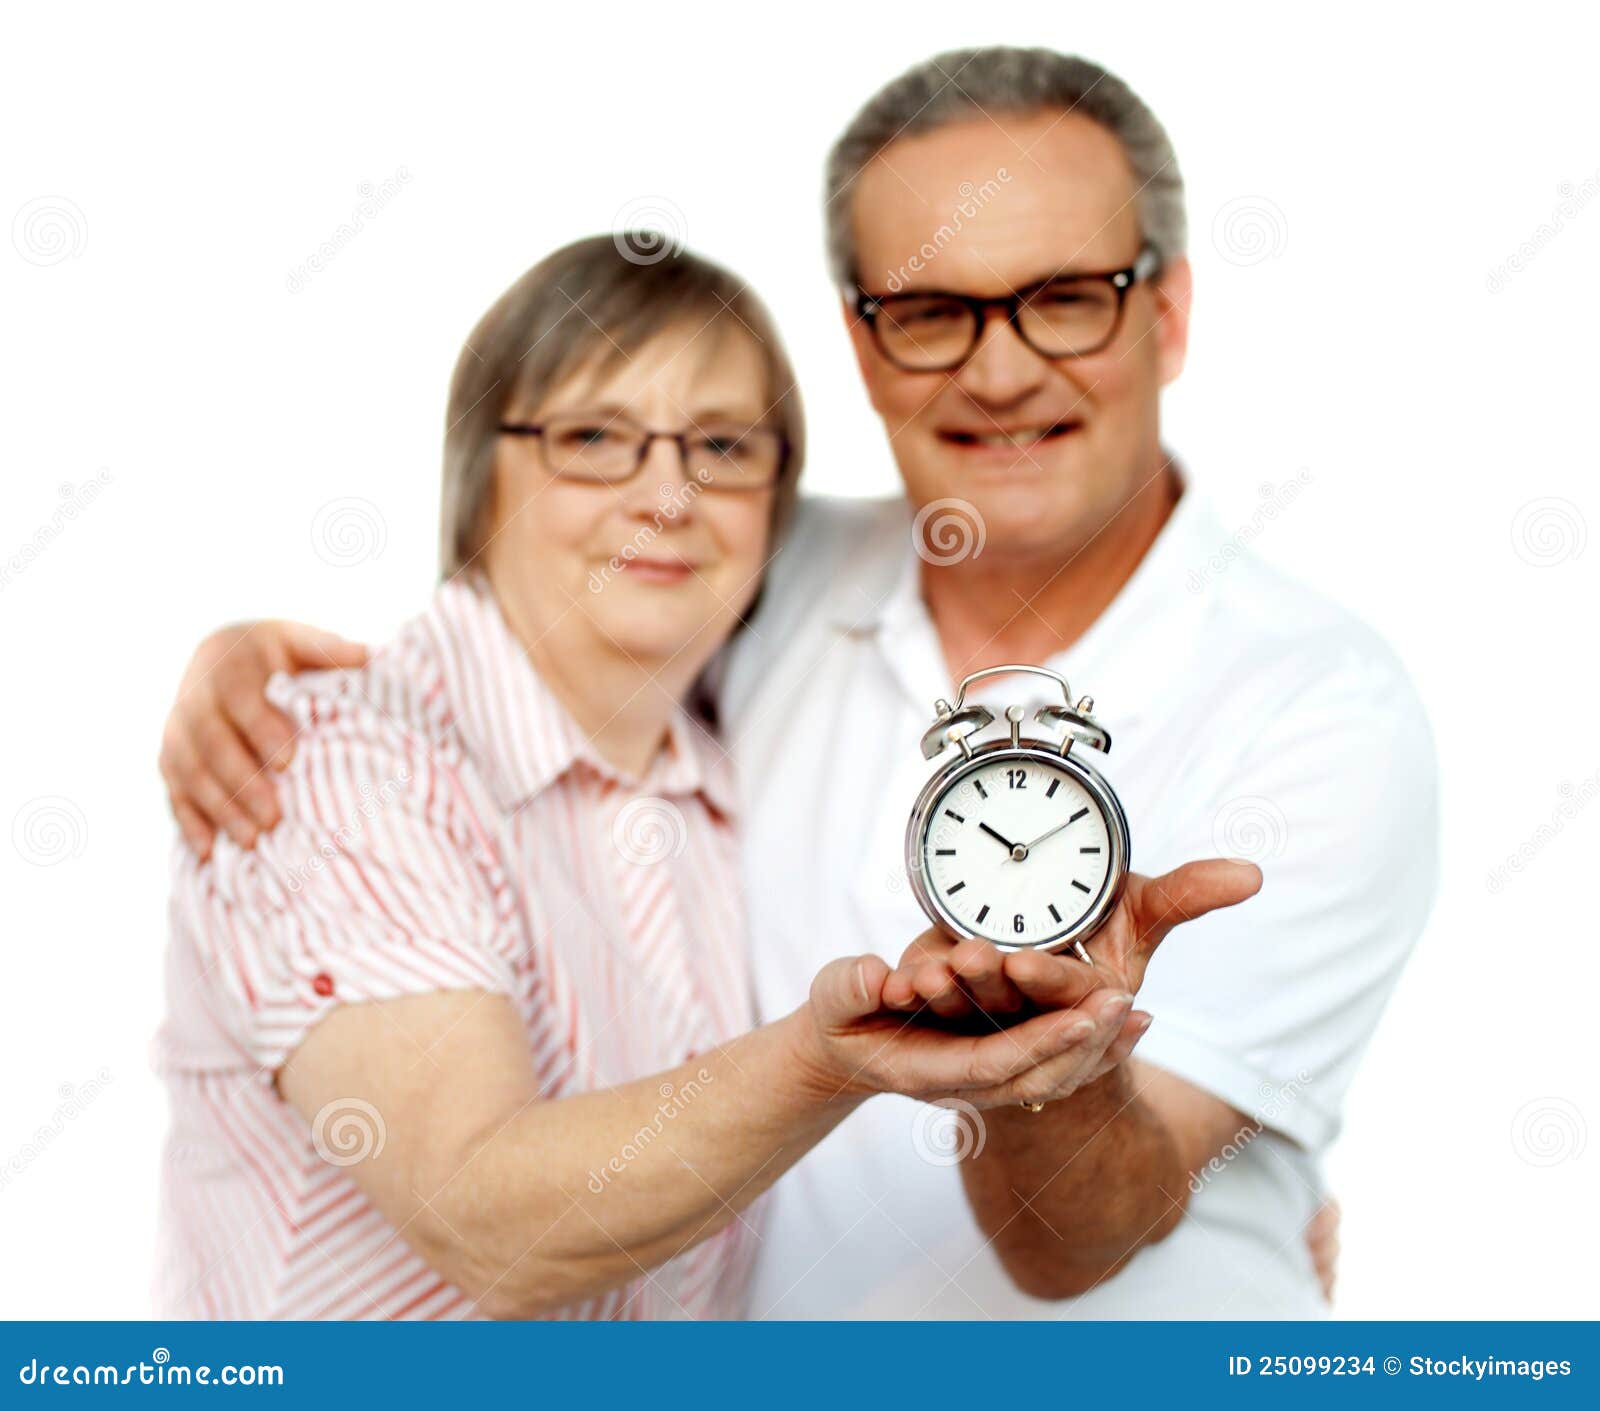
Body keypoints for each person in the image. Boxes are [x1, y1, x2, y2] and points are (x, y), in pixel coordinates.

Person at [161, 48, 1420, 1318]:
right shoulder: (758, 577)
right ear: (863, 350)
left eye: (1066, 296)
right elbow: (557, 601)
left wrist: (1060, 1059)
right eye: (932, 311)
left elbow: (1072, 1242)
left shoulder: (1324, 712)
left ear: (1169, 314)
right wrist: (252, 665)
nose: (999, 370)